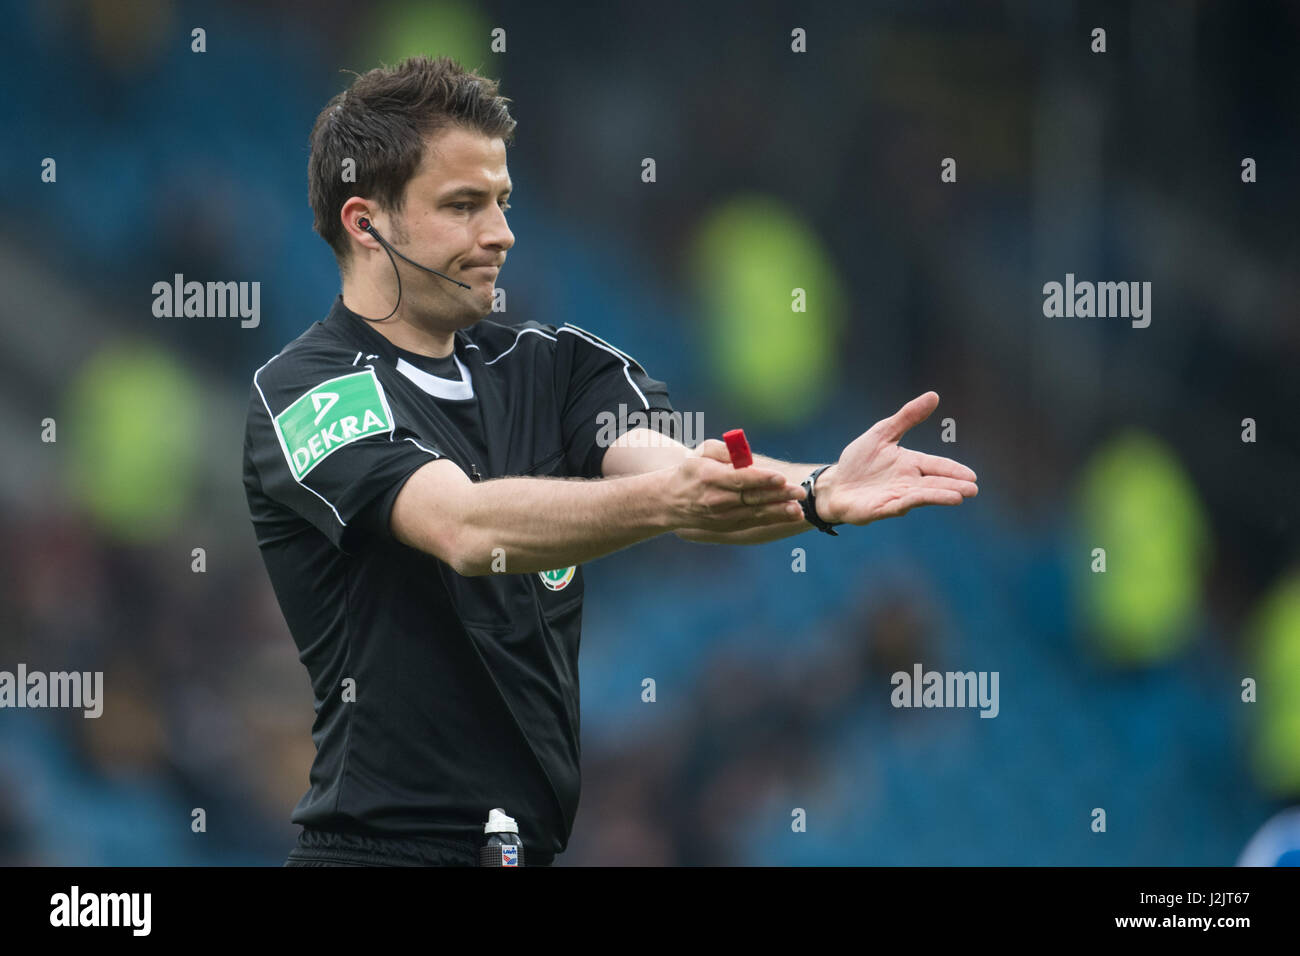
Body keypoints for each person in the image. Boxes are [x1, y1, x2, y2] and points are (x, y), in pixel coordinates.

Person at [242, 55, 978, 867]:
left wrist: (814, 490)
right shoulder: (309, 393)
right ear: (366, 222)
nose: (501, 233)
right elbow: (461, 526)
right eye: (463, 205)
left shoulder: (559, 367)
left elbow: (670, 470)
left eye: (504, 203)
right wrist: (670, 503)